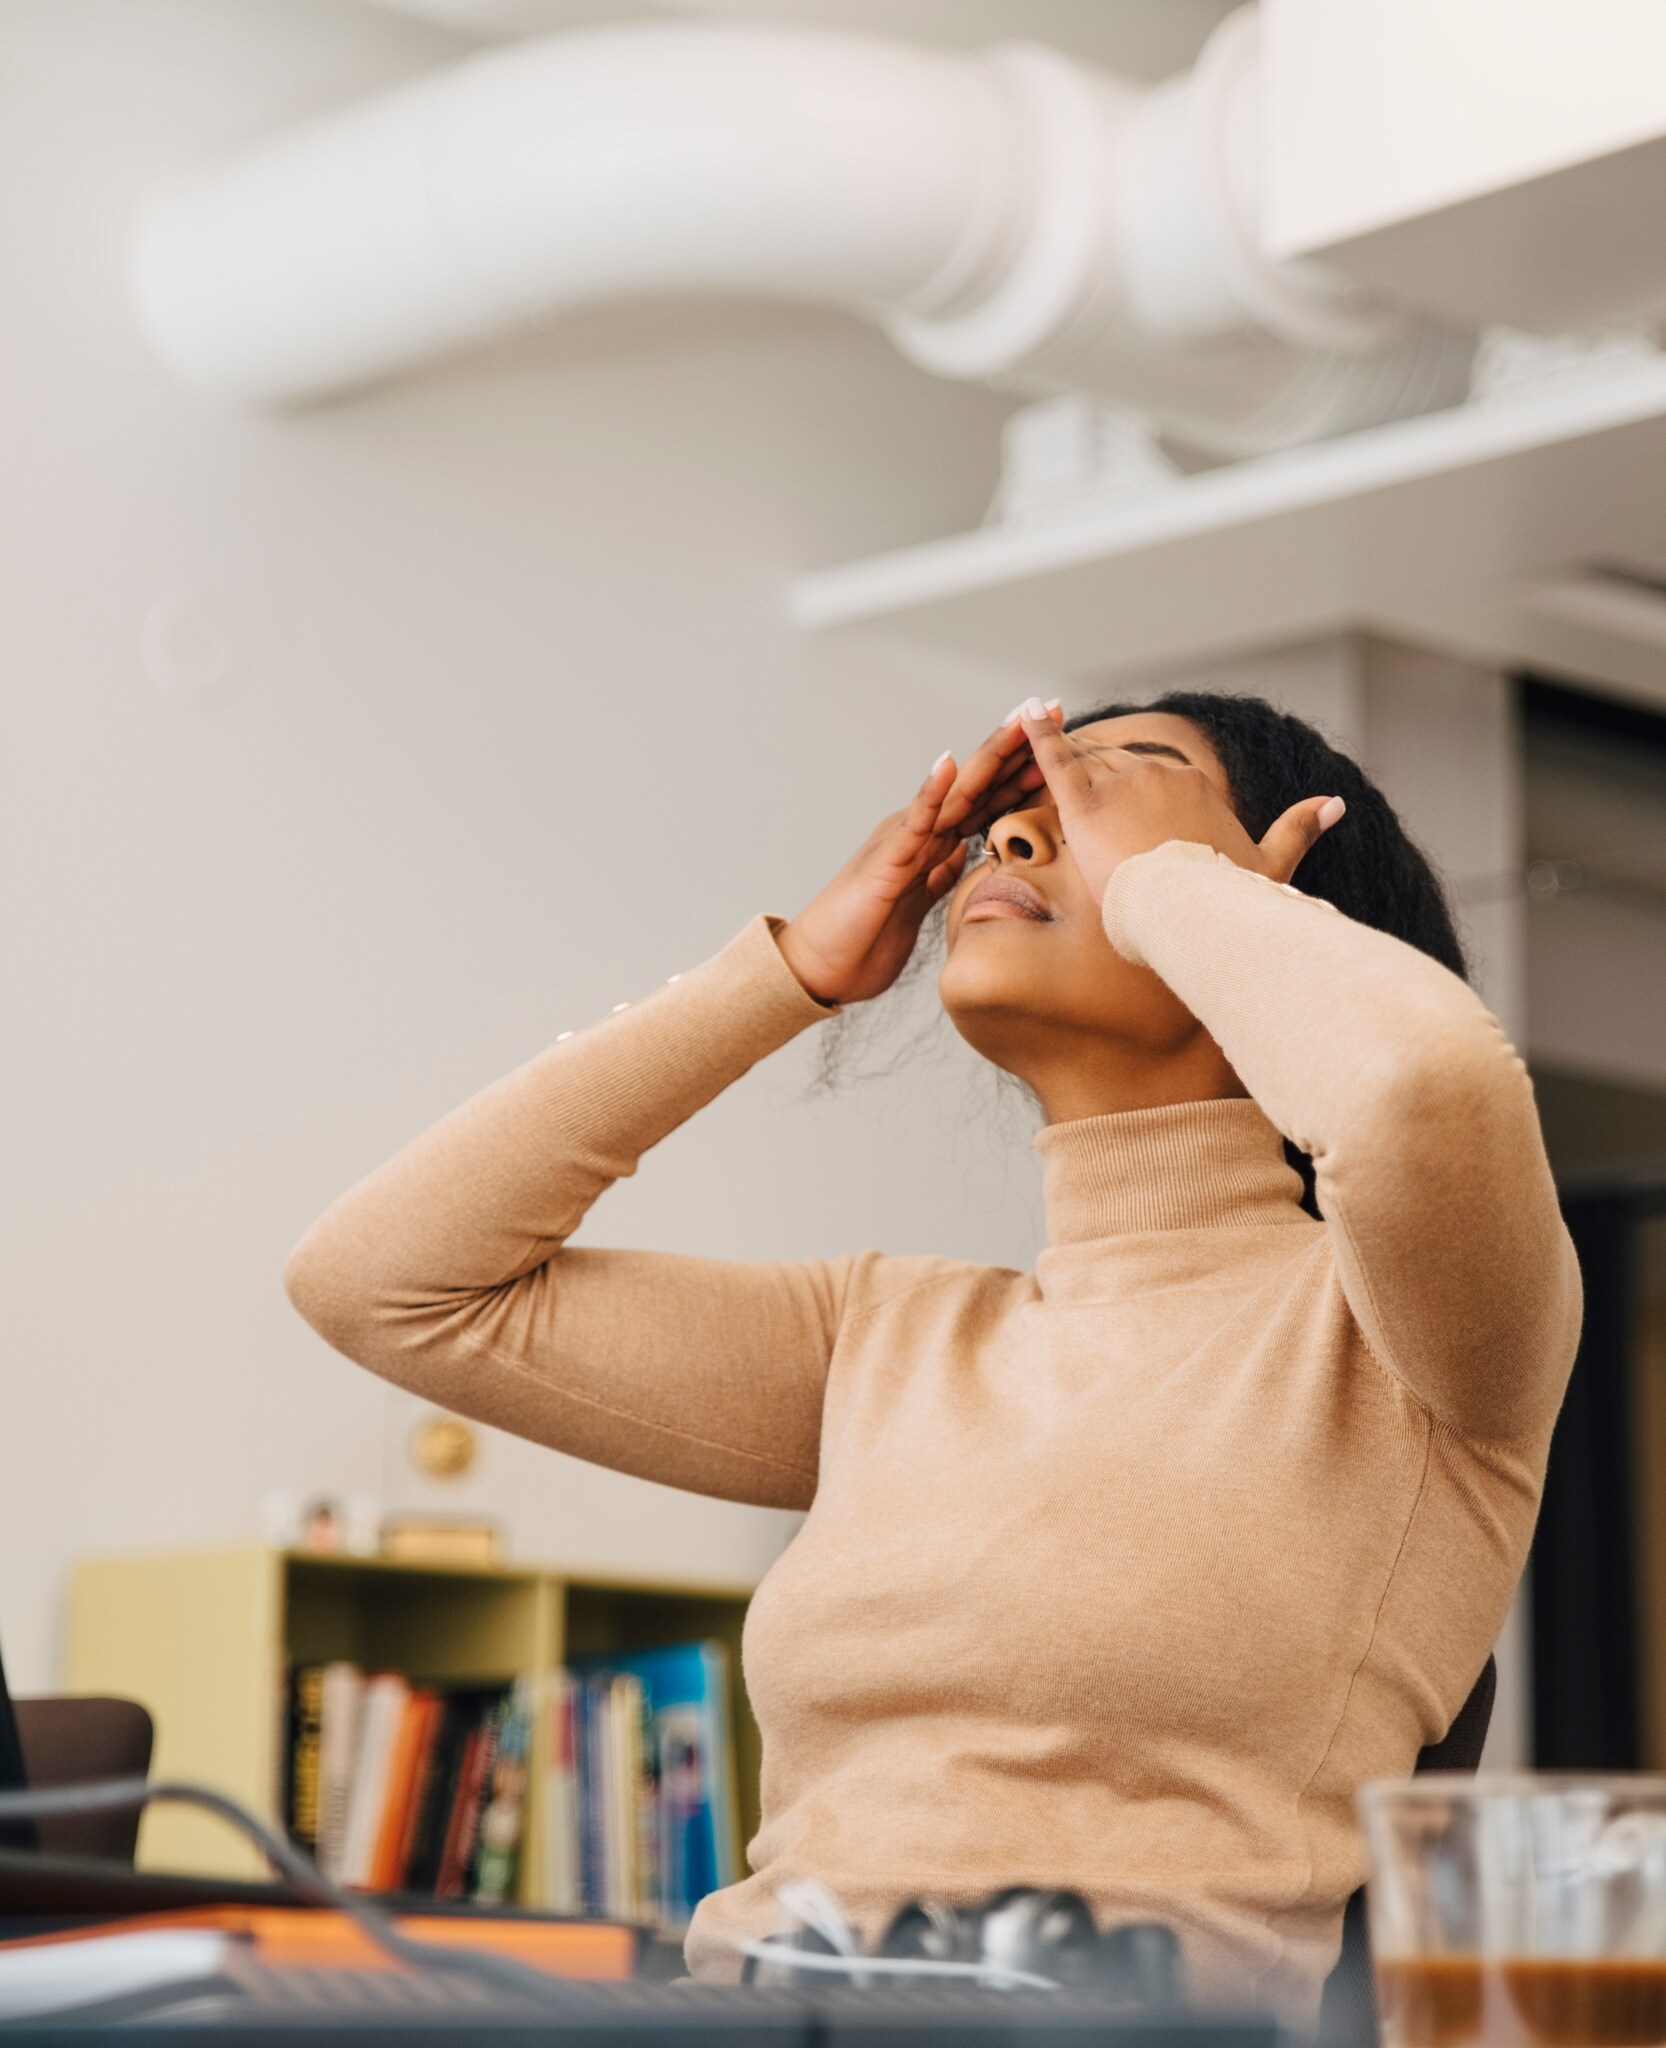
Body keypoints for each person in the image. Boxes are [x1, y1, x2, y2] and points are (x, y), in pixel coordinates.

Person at [285, 691, 1581, 2017]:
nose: (1016, 833)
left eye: (1107, 790)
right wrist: (783, 974)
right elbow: (386, 1285)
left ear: (1274, 889)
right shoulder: (888, 1335)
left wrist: (1176, 895)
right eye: (1015, 809)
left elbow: (1424, 1088)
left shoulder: (1410, 1342)